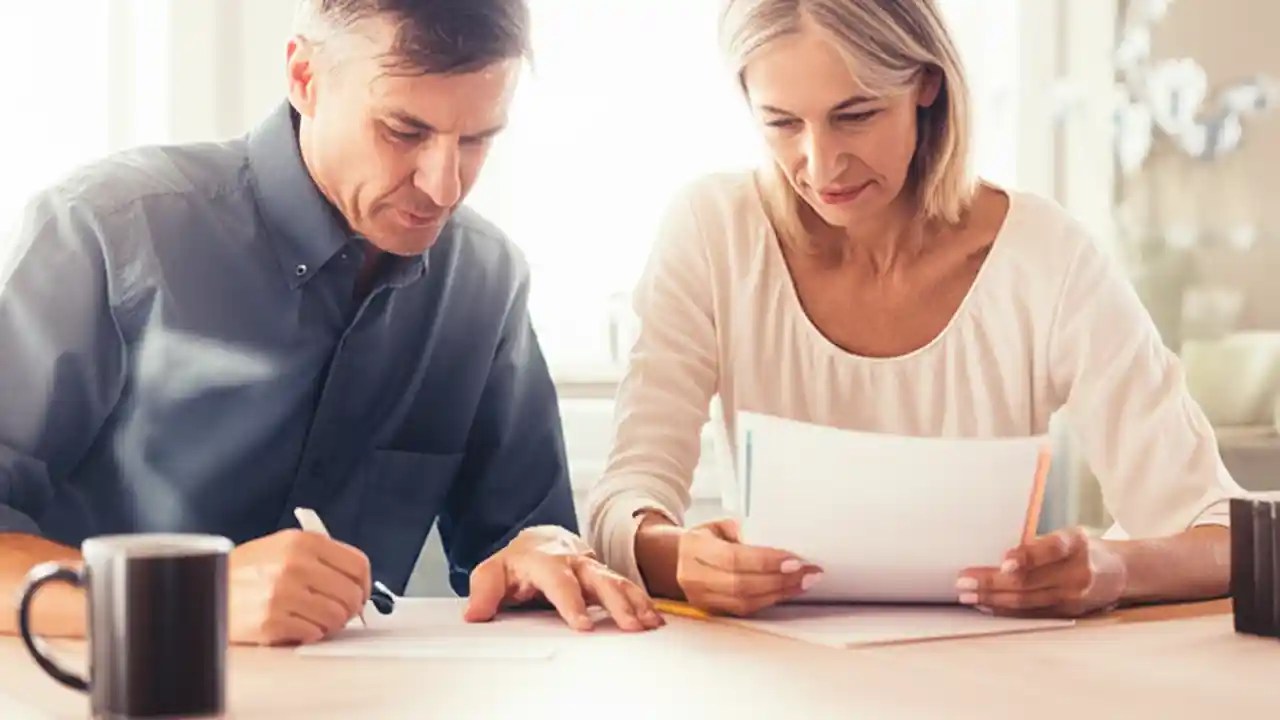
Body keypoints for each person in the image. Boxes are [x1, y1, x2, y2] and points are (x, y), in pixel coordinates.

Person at [0, 0, 662, 645]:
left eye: (478, 139)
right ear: (303, 77)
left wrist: (546, 551)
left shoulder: (486, 280)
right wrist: (188, 599)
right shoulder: (108, 230)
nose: (445, 187)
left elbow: (523, 540)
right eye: (404, 132)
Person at [586, 0, 1243, 619]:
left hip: (992, 677)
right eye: (782, 123)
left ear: (926, 86)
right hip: (775, 677)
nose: (821, 165)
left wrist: (1114, 568)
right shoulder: (712, 231)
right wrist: (681, 559)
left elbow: (1222, 531)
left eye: (856, 114)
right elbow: (624, 500)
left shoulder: (1045, 256)